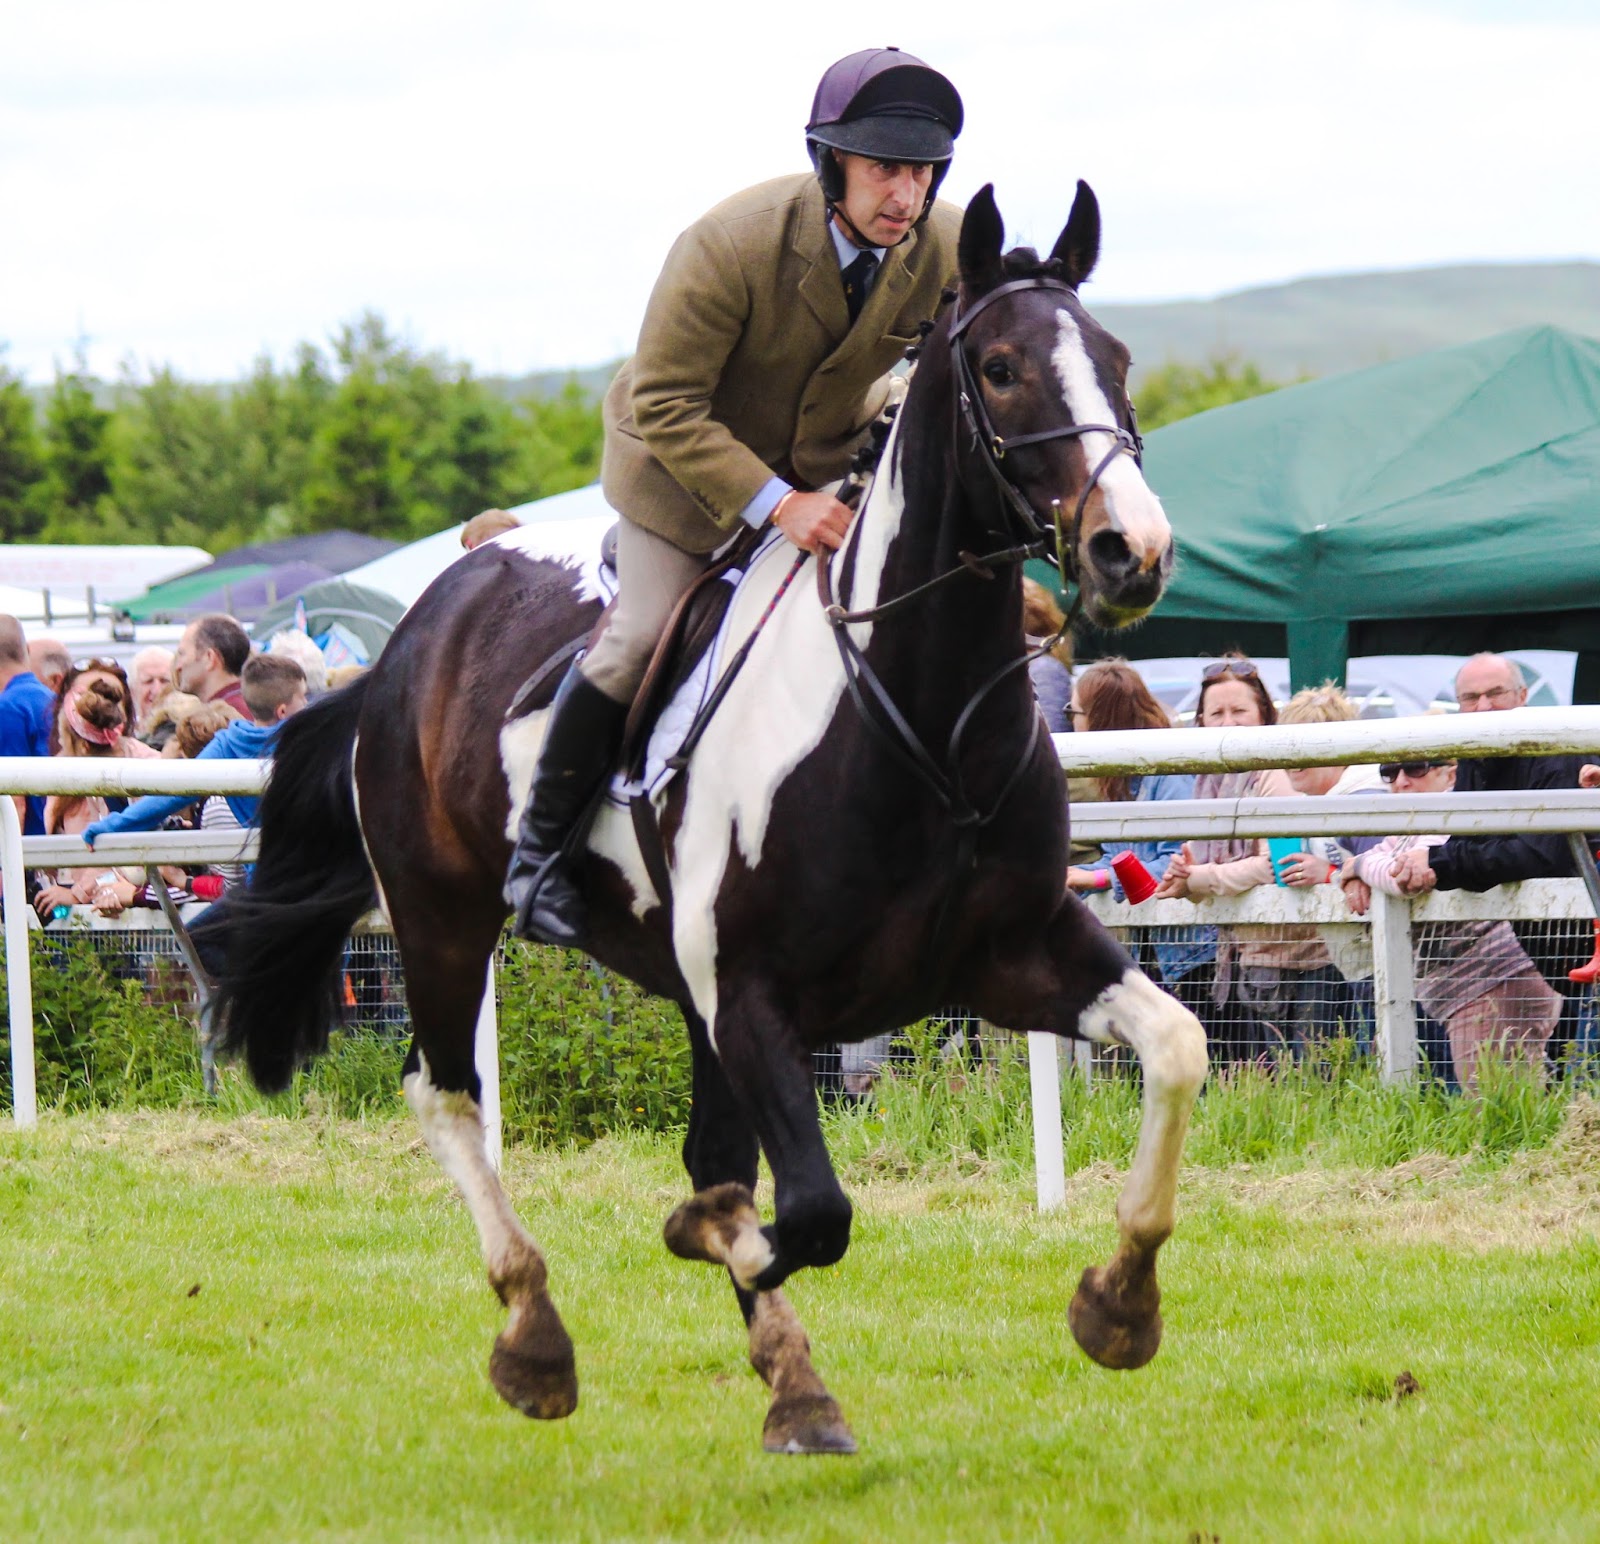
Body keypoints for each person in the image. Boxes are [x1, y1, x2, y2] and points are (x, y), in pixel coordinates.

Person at [503, 46, 966, 947]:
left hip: (825, 459)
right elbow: (665, 405)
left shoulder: (940, 243)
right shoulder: (729, 242)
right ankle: (539, 855)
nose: (904, 197)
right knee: (637, 639)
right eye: (883, 170)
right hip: (680, 469)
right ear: (832, 162)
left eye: (920, 172)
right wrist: (775, 504)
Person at [1389, 652, 1590, 1065]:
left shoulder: (1559, 750)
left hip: (1579, 941)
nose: (1484, 706)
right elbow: (1475, 846)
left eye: (1495, 693)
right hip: (1541, 951)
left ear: (1523, 695)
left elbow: (1540, 853)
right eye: (1471, 697)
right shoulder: (1473, 761)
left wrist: (1441, 863)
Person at [1339, 760, 1560, 1091]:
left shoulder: (1453, 818)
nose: (1401, 781)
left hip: (1490, 981)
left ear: (1451, 774)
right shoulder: (1408, 827)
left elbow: (1402, 878)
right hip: (1470, 989)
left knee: (1493, 1118)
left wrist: (1358, 865)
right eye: (1390, 772)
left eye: (1415, 769)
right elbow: (1378, 862)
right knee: (1513, 1108)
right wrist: (1355, 871)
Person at [1153, 655, 1290, 1062]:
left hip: (1290, 961)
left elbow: (1279, 864)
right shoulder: (1203, 783)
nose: (1228, 722)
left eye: (1239, 711)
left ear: (1263, 715)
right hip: (1233, 959)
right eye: (1217, 713)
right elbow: (1199, 872)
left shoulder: (1276, 774)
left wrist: (1198, 879)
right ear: (1201, 721)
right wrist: (1183, 877)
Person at [1064, 660, 1215, 1021]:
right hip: (1155, 945)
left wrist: (1095, 878)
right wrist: (1072, 874)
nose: (1070, 719)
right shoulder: (1120, 779)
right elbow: (1121, 861)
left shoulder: (1168, 773)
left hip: (1193, 953)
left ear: (1100, 717)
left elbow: (1175, 863)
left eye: (1075, 711)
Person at [31, 678, 161, 921]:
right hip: (83, 900)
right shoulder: (63, 772)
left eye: (62, 737)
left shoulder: (145, 770)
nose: (59, 744)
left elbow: (122, 852)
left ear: (81, 744)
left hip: (130, 900)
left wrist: (77, 894)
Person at [0, 615, 56, 836]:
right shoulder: (50, 697)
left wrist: (7, 866)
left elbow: (13, 797)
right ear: (26, 651)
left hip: (27, 848)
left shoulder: (8, 708)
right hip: (57, 839)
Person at [172, 613, 251, 716]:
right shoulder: (254, 707)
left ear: (209, 658)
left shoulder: (226, 721)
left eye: (182, 654)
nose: (177, 667)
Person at [129, 646, 174, 736]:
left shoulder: (185, 736)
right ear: (132, 690)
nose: (157, 690)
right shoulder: (125, 736)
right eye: (148, 681)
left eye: (164, 681)